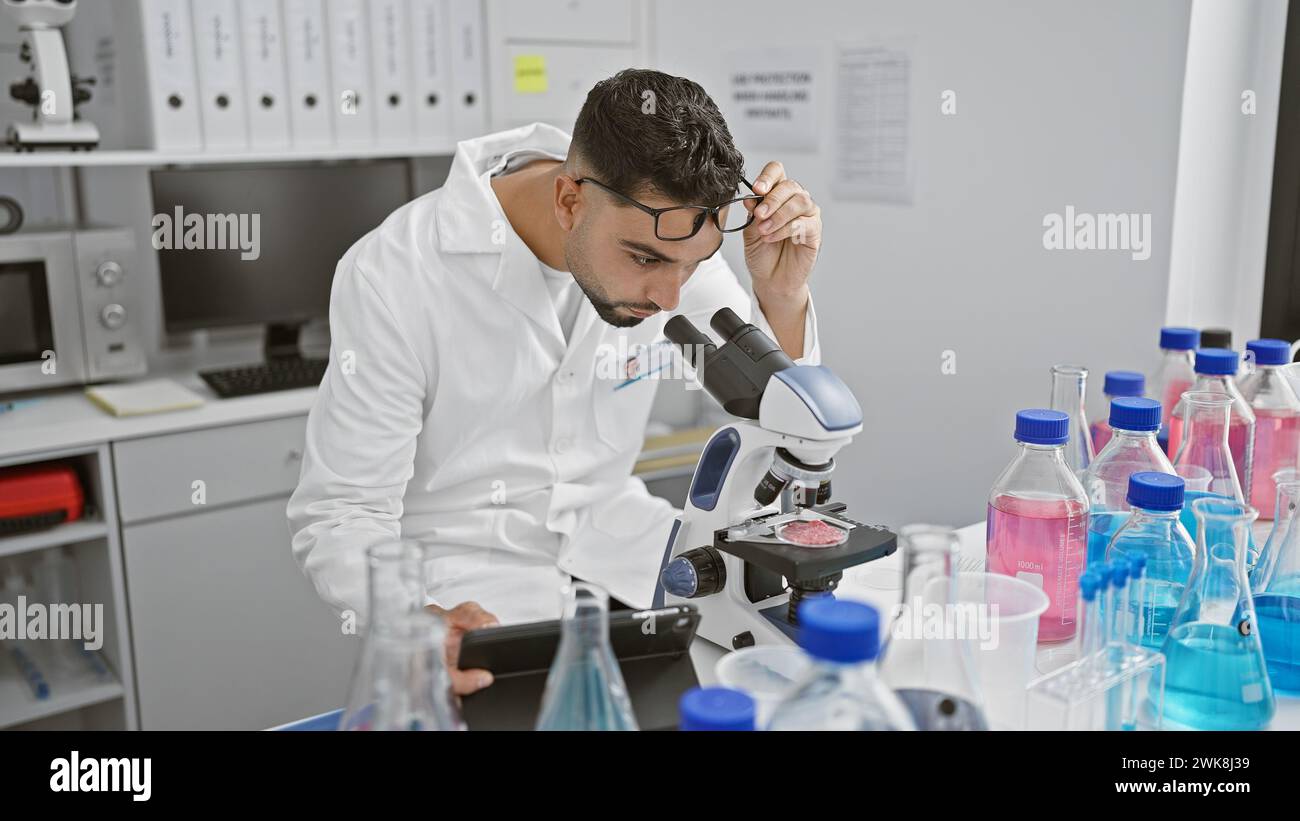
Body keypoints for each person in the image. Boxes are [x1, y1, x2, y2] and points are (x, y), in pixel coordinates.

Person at [288, 69, 825, 696]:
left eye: (694, 266)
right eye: (645, 261)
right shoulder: (396, 273)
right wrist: (416, 623)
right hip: (472, 604)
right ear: (570, 200)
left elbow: (779, 420)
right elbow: (343, 513)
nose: (670, 296)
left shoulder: (665, 239)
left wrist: (781, 295)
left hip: (633, 572)